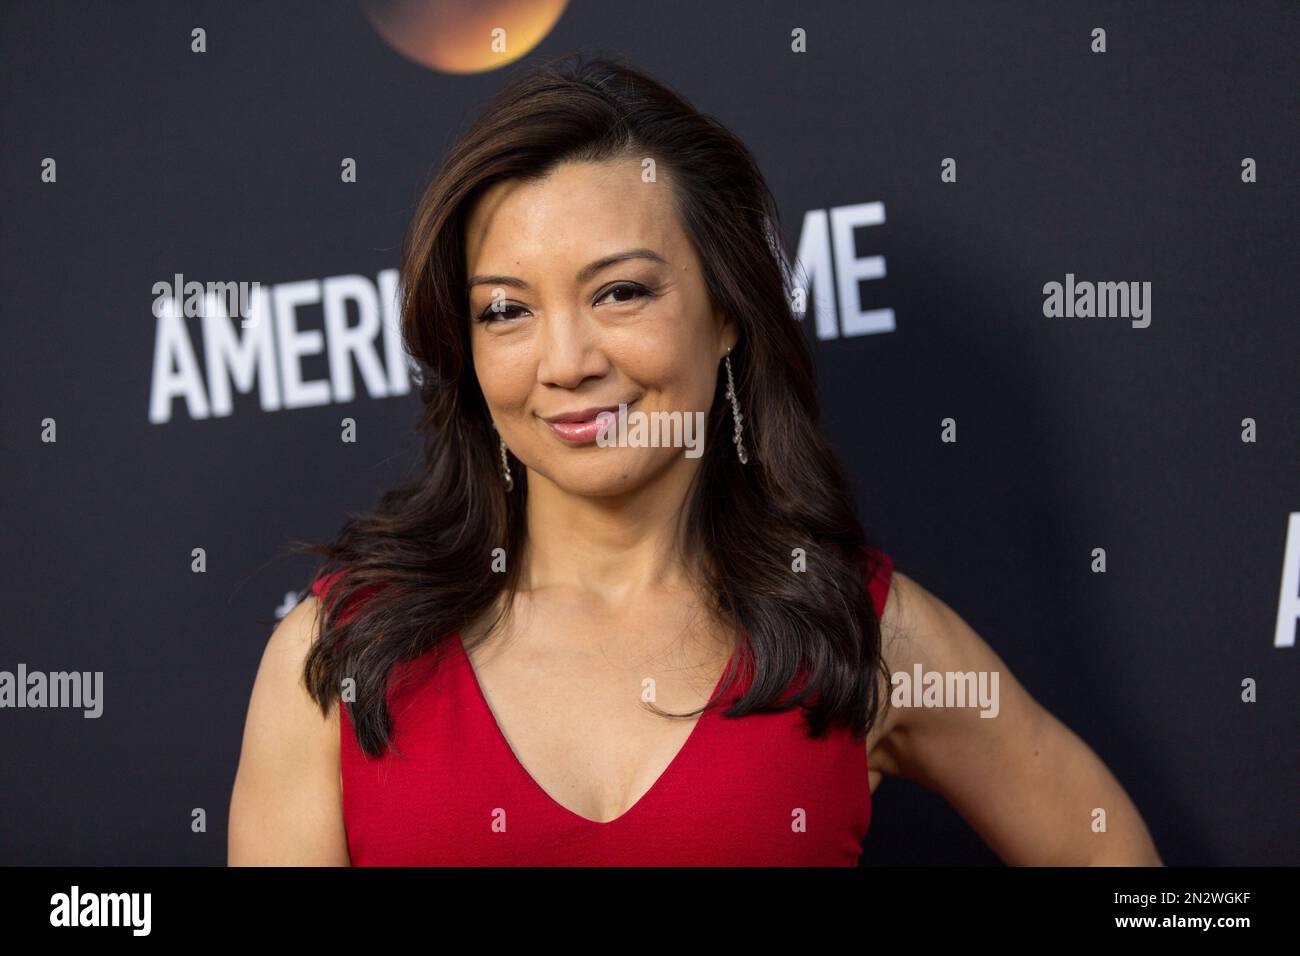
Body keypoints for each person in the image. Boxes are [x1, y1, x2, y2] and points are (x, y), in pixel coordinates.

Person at [228, 52, 1161, 866]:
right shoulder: (340, 654)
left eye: (622, 292)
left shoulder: (860, 630)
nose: (567, 362)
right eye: (506, 310)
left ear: (726, 314)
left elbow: (1094, 844)